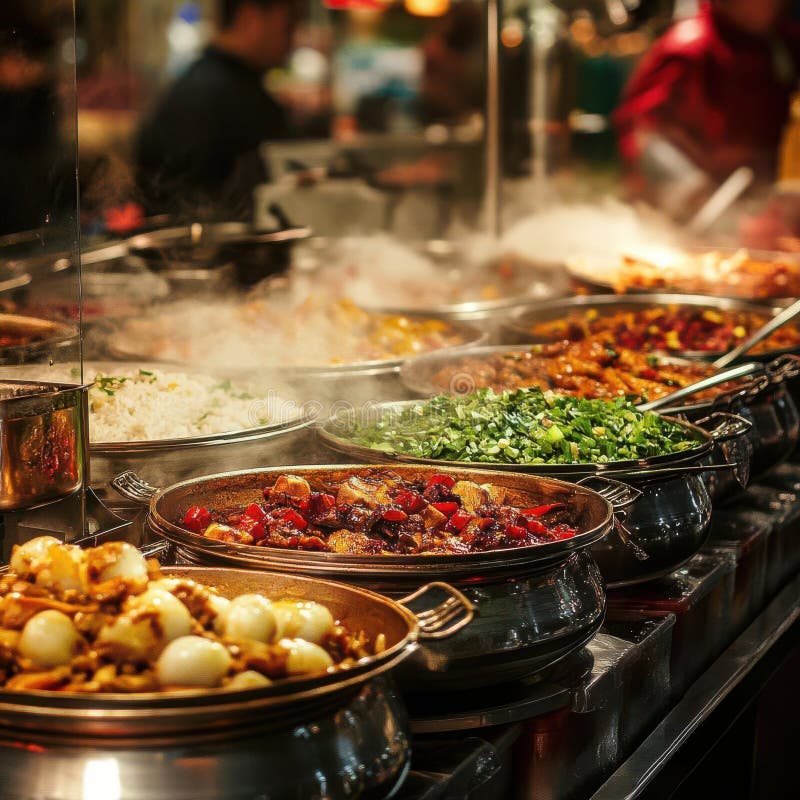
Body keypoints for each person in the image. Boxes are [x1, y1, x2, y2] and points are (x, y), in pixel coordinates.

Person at [614, 0, 800, 218]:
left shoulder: (781, 44)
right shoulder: (689, 45)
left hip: (762, 201)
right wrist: (694, 197)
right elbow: (642, 133)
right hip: (693, 209)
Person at [135, 0, 296, 221]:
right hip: (205, 238)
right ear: (249, 17)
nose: (290, 40)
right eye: (287, 26)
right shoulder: (231, 96)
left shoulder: (202, 82)